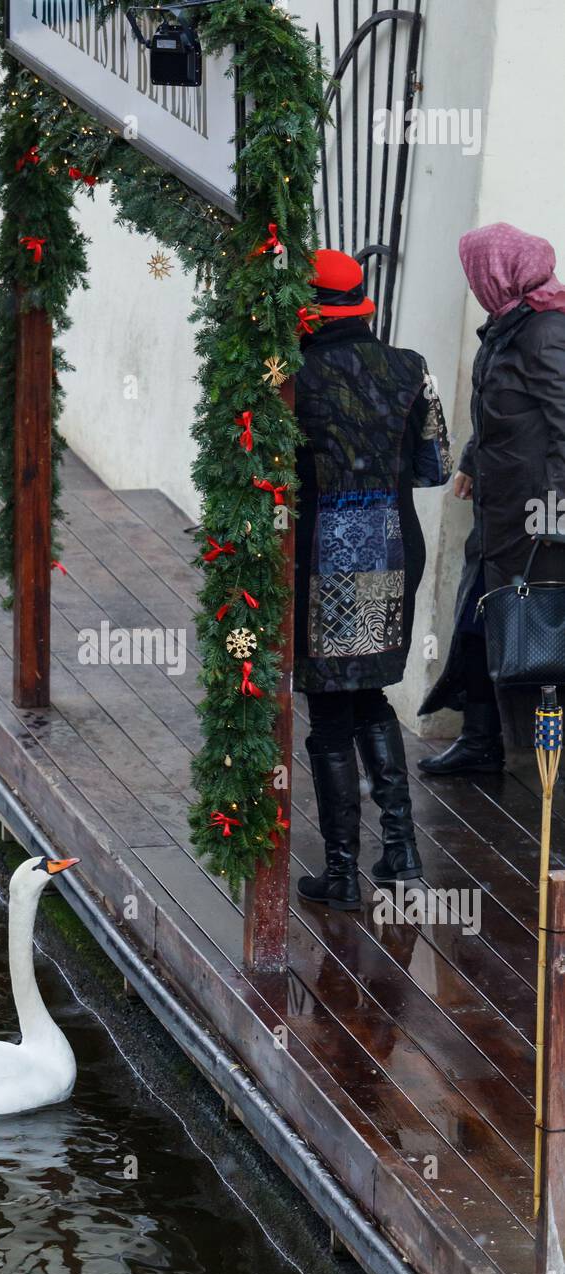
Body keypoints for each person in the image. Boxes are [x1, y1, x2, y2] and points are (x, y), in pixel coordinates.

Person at [294, 249, 453, 910]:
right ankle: (401, 849)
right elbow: (434, 466)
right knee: (370, 695)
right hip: (392, 542)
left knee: (332, 706)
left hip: (328, 551)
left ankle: (340, 874)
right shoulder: (413, 369)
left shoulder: (294, 378)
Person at [418, 223, 565, 770]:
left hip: (533, 517)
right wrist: (474, 460)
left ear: (495, 273)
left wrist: (552, 512)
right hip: (500, 506)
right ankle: (481, 741)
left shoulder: (546, 332)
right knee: (481, 616)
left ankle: (533, 760)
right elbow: (496, 401)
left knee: (528, 628)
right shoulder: (509, 322)